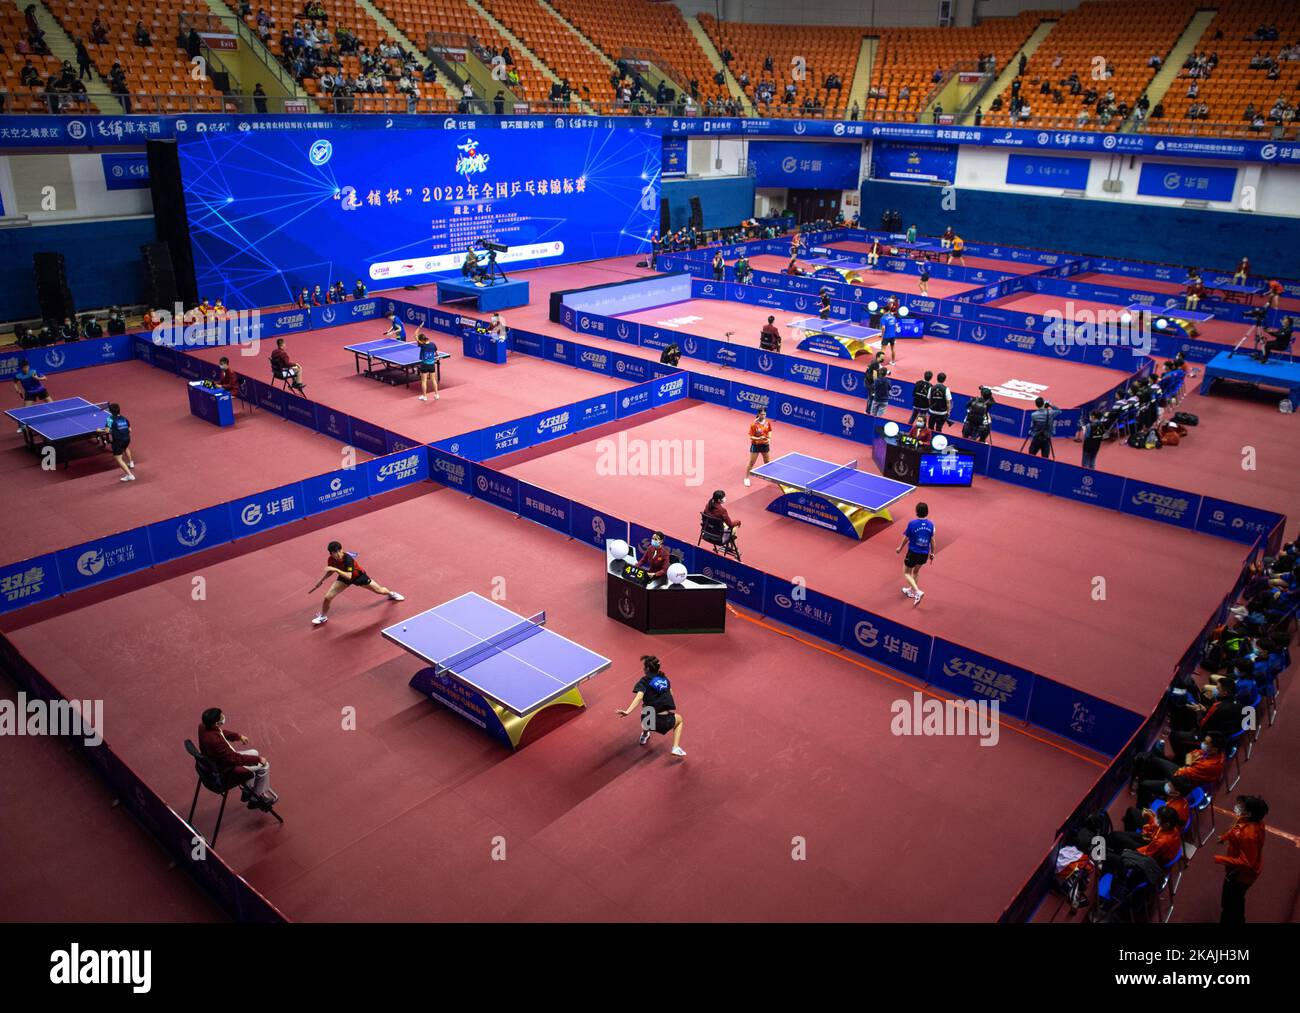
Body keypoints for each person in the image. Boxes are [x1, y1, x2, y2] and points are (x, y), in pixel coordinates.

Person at [197, 708, 277, 810]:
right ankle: (255, 799)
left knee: (254, 752)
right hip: (228, 768)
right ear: (216, 723)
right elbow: (235, 759)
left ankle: (247, 790)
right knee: (264, 766)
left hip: (218, 760)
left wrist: (238, 736)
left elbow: (221, 732)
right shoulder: (215, 741)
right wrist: (258, 760)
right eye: (222, 717)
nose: (223, 717)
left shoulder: (203, 727)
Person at [311, 541, 404, 625]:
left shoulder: (348, 559)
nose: (338, 554)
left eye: (339, 551)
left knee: (379, 590)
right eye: (335, 552)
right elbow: (330, 570)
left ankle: (391, 594)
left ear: (342, 549)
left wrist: (335, 569)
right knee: (328, 597)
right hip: (344, 577)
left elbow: (349, 576)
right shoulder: (331, 559)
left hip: (358, 576)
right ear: (331, 554)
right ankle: (323, 616)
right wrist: (321, 580)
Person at [1131, 731, 1226, 807]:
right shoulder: (1217, 753)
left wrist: (1186, 766)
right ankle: (1149, 769)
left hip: (1184, 785)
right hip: (1186, 776)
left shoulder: (1207, 765)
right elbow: (1191, 754)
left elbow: (1181, 772)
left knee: (1144, 785)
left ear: (1214, 749)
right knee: (1155, 760)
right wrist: (1188, 764)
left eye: (1206, 743)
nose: (1203, 743)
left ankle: (1141, 809)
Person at [617, 655, 685, 757]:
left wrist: (628, 711)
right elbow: (670, 693)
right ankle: (675, 747)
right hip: (665, 721)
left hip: (649, 721)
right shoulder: (664, 679)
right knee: (679, 720)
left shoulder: (644, 681)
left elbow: (639, 697)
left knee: (646, 708)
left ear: (647, 669)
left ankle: (644, 735)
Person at [1216, 795, 1267, 923]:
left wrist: (1220, 859)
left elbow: (1247, 863)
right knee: (1235, 900)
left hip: (1240, 875)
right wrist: (1225, 837)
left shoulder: (1249, 836)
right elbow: (1235, 829)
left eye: (1241, 806)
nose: (1238, 807)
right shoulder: (1250, 820)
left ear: (1249, 813)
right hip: (1238, 868)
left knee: (1229, 903)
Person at [896, 501, 935, 607]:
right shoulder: (931, 524)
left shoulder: (912, 524)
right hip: (924, 554)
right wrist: (932, 553)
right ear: (927, 512)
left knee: (906, 572)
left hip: (913, 552)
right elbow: (932, 540)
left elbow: (906, 537)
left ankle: (917, 591)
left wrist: (900, 547)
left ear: (916, 512)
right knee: (916, 572)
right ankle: (911, 591)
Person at [101, 402, 135, 482]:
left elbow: (107, 431)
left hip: (118, 441)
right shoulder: (124, 418)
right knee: (125, 448)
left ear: (110, 411)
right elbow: (130, 429)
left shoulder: (110, 419)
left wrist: (100, 430)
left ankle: (130, 475)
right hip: (127, 439)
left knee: (118, 458)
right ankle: (131, 463)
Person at [743, 407, 773, 487]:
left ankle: (767, 475)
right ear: (758, 414)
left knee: (767, 462)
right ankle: (746, 478)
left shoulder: (767, 422)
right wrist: (759, 438)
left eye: (765, 414)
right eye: (762, 414)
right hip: (756, 445)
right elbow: (751, 437)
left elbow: (770, 431)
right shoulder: (754, 424)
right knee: (752, 462)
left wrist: (769, 438)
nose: (763, 416)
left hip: (765, 445)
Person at [415, 326, 440, 402]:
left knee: (424, 381)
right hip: (432, 364)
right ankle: (436, 394)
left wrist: (419, 327)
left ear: (421, 340)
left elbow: (415, 334)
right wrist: (437, 357)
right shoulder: (433, 344)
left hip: (424, 365)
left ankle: (424, 396)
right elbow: (436, 353)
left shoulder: (422, 345)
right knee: (433, 380)